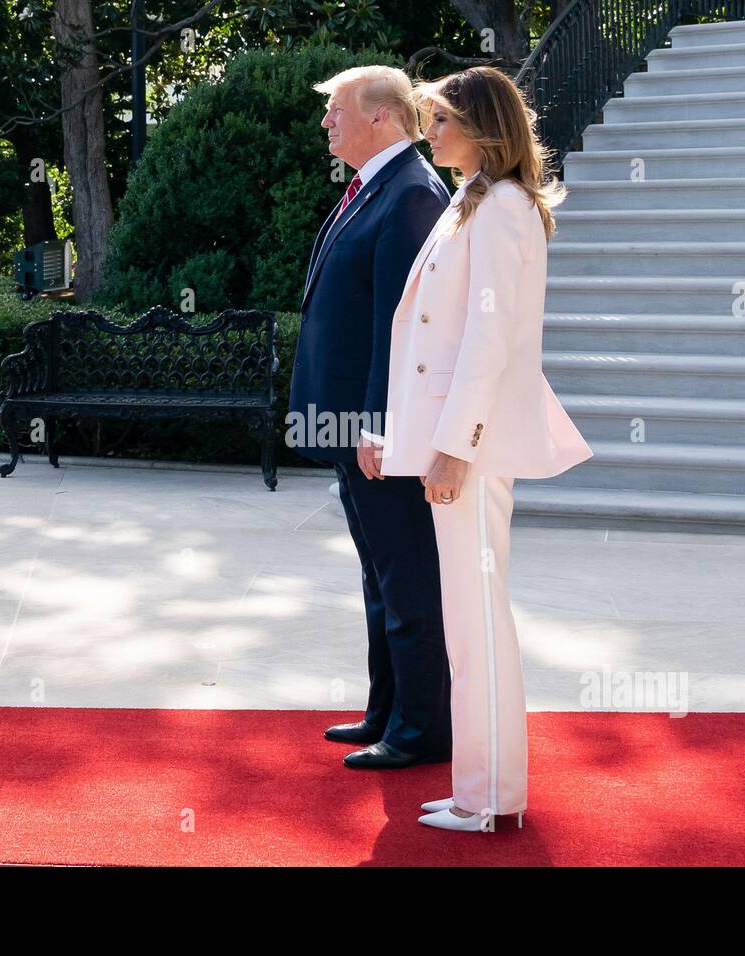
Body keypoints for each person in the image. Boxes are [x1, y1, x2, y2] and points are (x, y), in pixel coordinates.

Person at [367, 66, 594, 830]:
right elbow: (437, 337)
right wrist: (404, 438)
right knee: (467, 618)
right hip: (459, 438)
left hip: (476, 445)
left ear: (481, 125)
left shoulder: (499, 208)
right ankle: (480, 787)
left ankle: (491, 796)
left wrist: (455, 446)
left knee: (477, 619)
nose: (430, 134)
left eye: (441, 122)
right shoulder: (474, 201)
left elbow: (487, 341)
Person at [287, 66, 455, 769]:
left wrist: (377, 425)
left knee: (407, 575)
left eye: (335, 110)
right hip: (343, 422)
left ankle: (423, 730)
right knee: (378, 575)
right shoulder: (374, 186)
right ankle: (386, 710)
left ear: (382, 117)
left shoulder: (413, 193)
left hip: (375, 430)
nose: (326, 122)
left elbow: (403, 328)